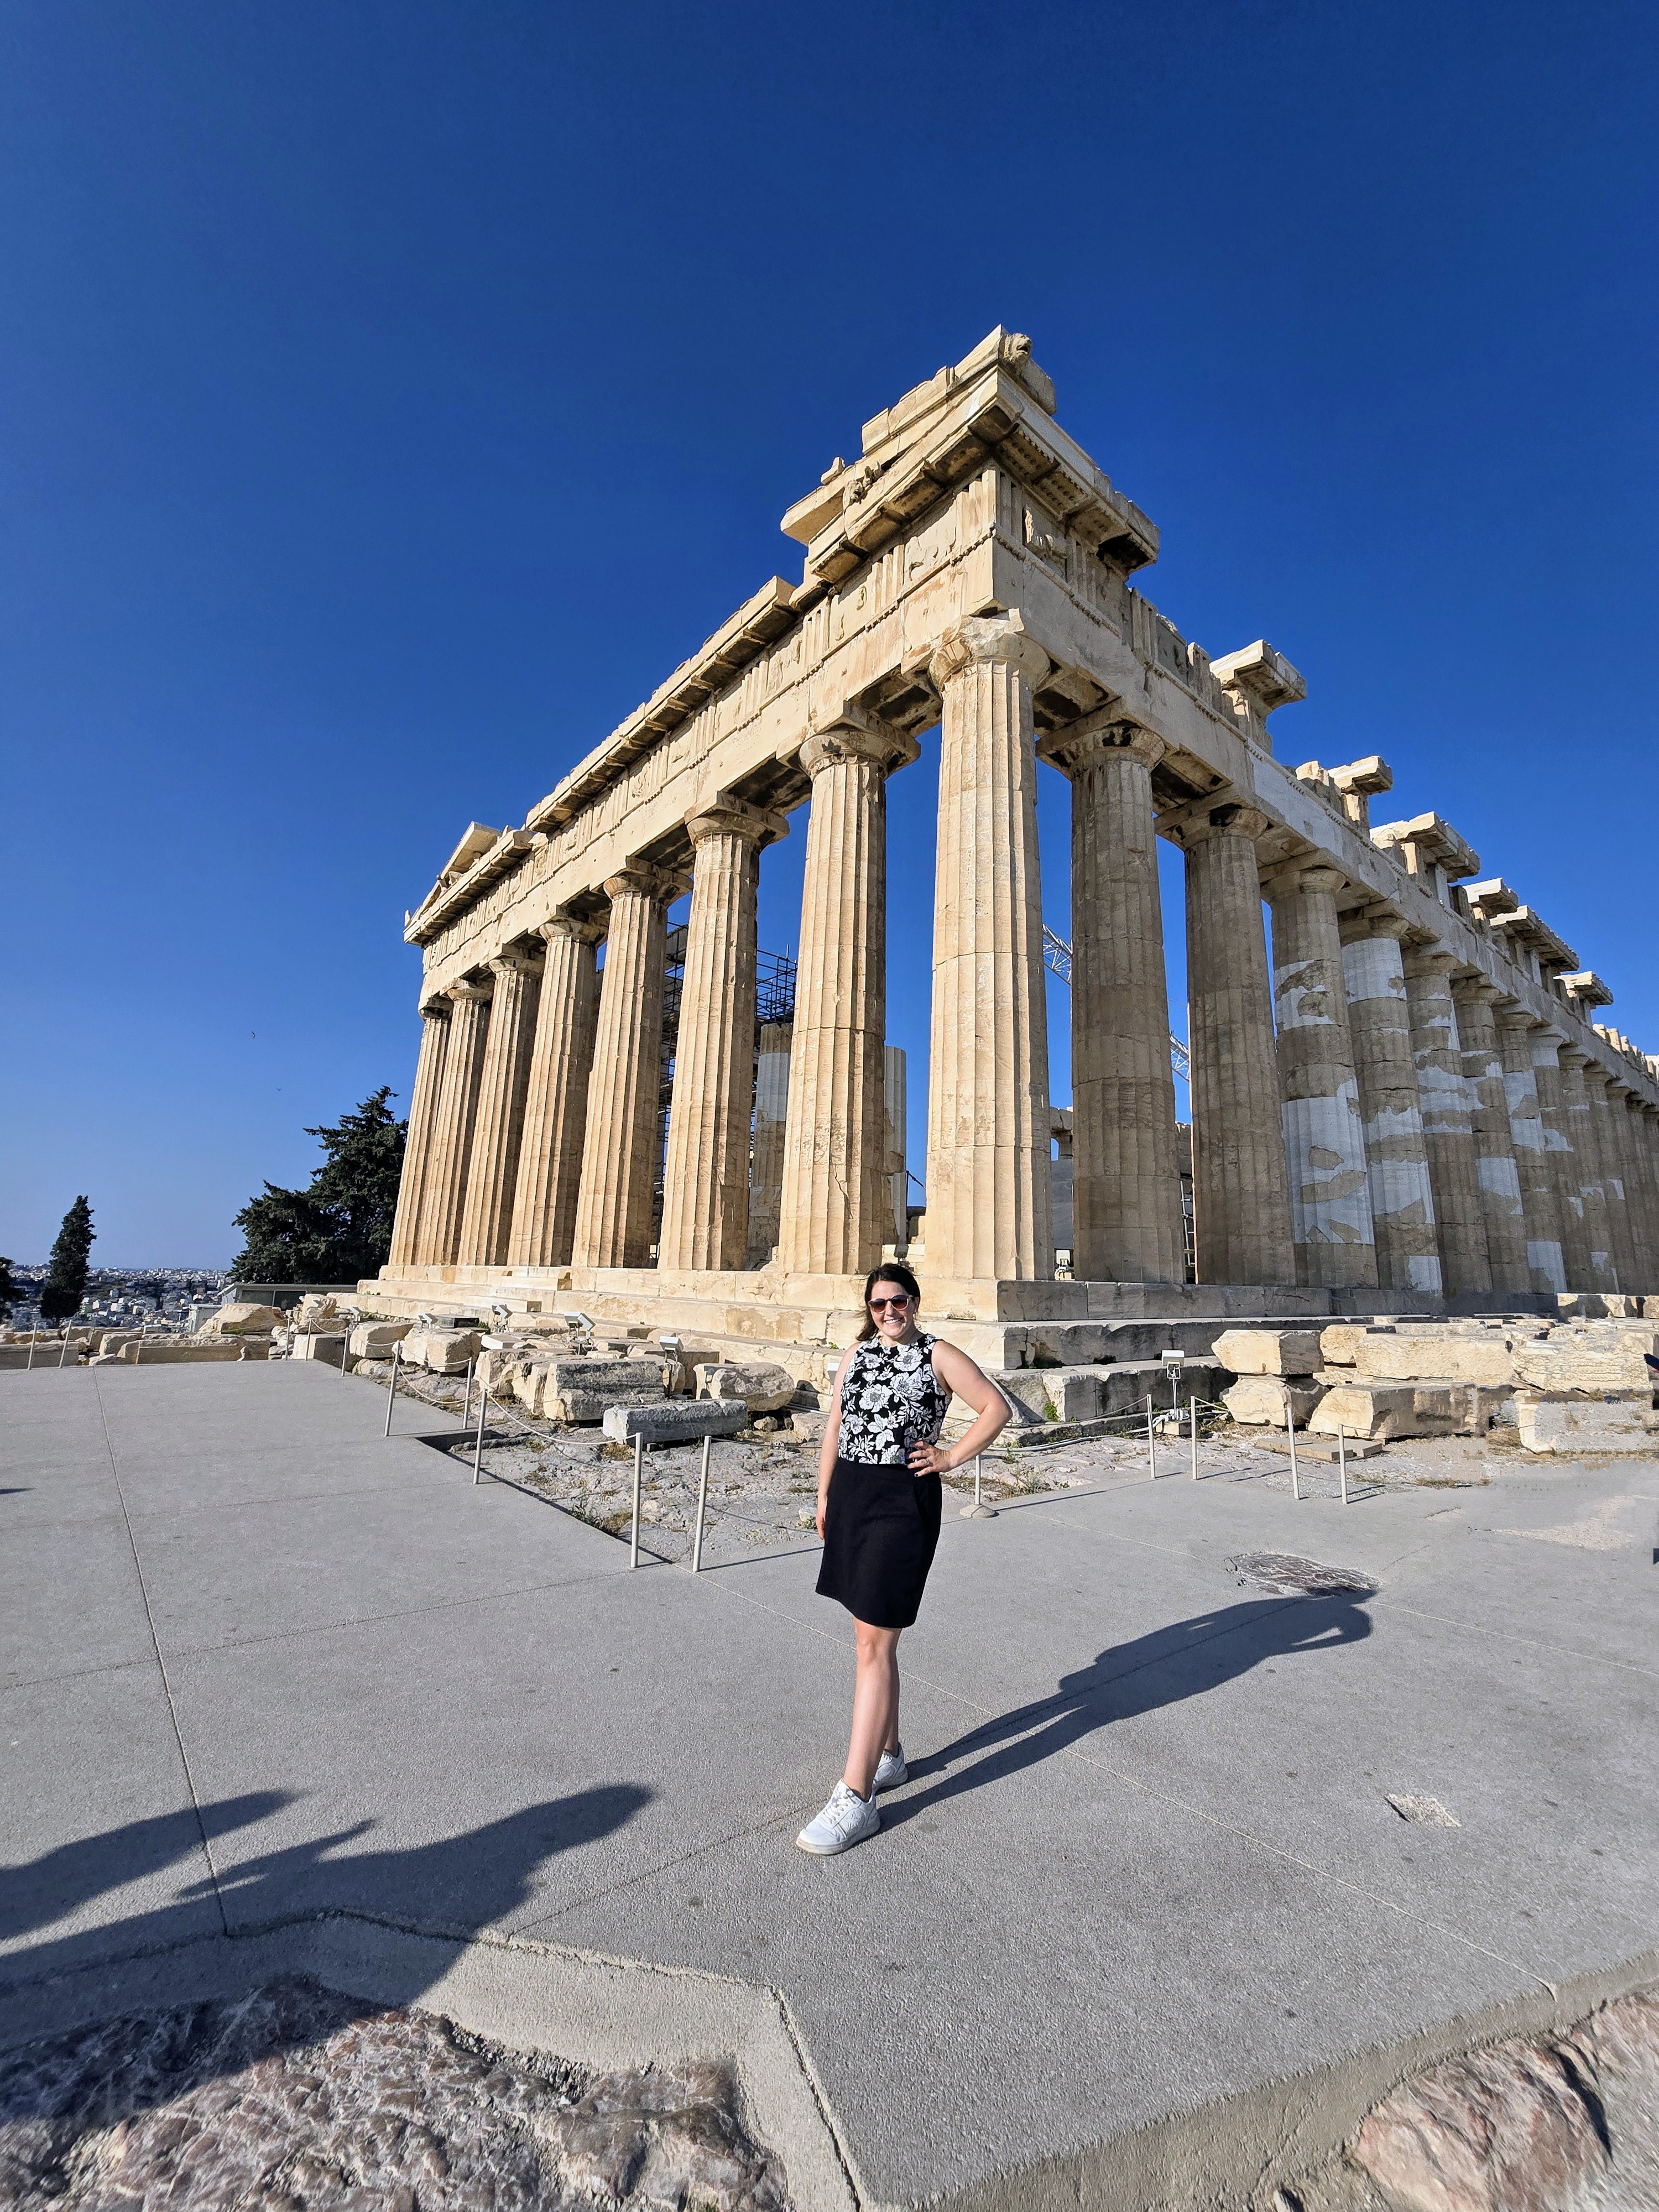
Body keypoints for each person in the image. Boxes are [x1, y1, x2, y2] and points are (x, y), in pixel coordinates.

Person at [796, 1261, 1011, 1856]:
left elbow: (995, 1409)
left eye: (898, 1301)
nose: (888, 1311)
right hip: (853, 1494)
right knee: (868, 1634)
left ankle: (856, 1795)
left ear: (914, 1302)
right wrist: (824, 1494)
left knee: (875, 1641)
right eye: (878, 1304)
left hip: (902, 1501)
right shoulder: (856, 1354)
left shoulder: (939, 1354)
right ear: (869, 1310)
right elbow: (836, 1424)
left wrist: (950, 1458)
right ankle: (889, 1755)